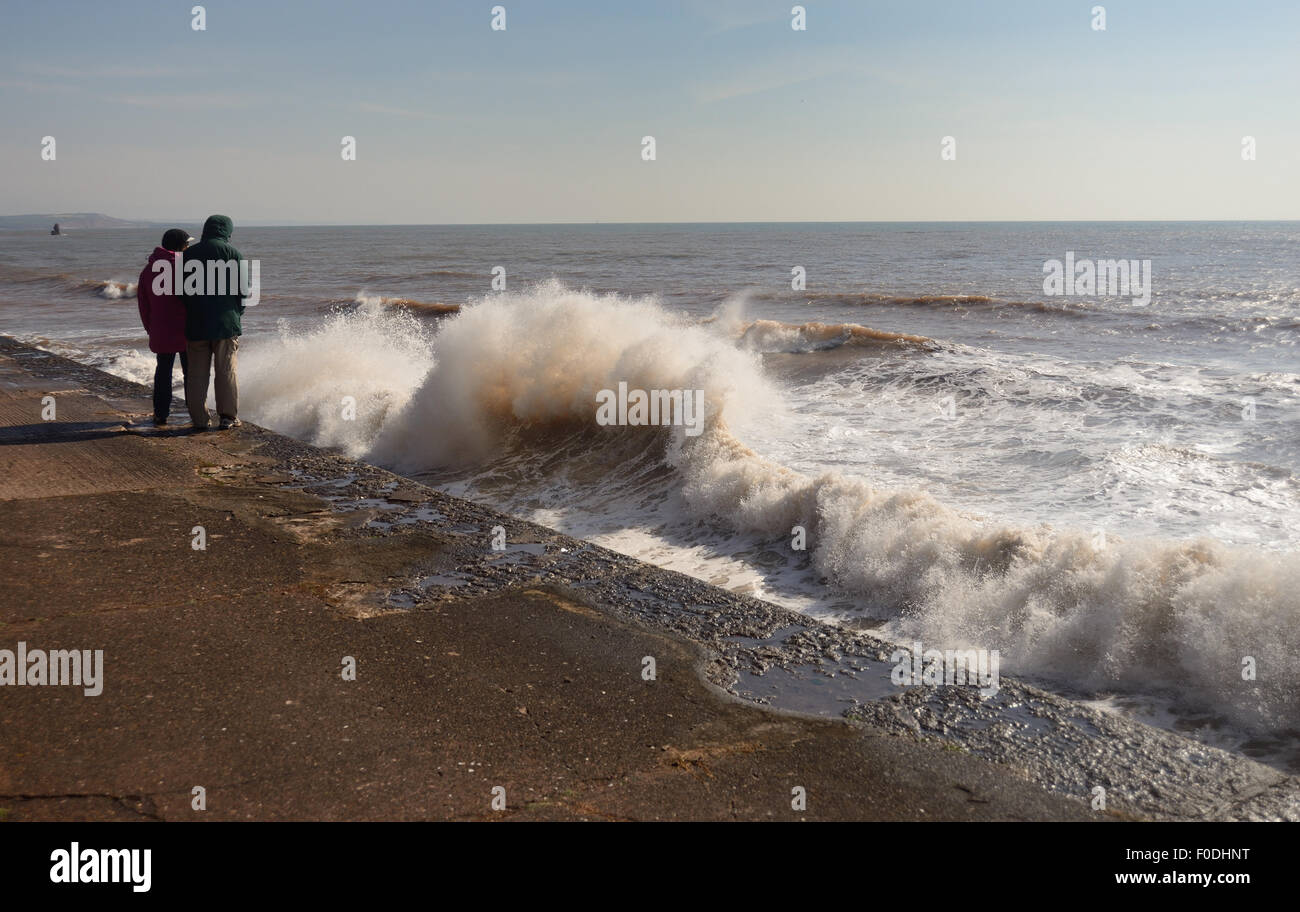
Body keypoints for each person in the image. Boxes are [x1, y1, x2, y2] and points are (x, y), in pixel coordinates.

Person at [183, 214, 246, 431]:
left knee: (196, 374)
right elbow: (244, 290)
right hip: (226, 323)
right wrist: (238, 313)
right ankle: (228, 417)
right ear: (227, 231)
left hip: (196, 323)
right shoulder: (234, 254)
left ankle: (200, 420)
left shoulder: (188, 254)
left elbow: (180, 291)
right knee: (226, 370)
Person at [136, 228, 193, 426]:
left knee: (163, 372)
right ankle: (195, 413)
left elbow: (144, 305)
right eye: (187, 244)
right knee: (191, 373)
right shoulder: (186, 267)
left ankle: (160, 413)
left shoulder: (148, 270)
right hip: (187, 330)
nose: (188, 247)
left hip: (161, 330)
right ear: (181, 246)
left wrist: (151, 329)